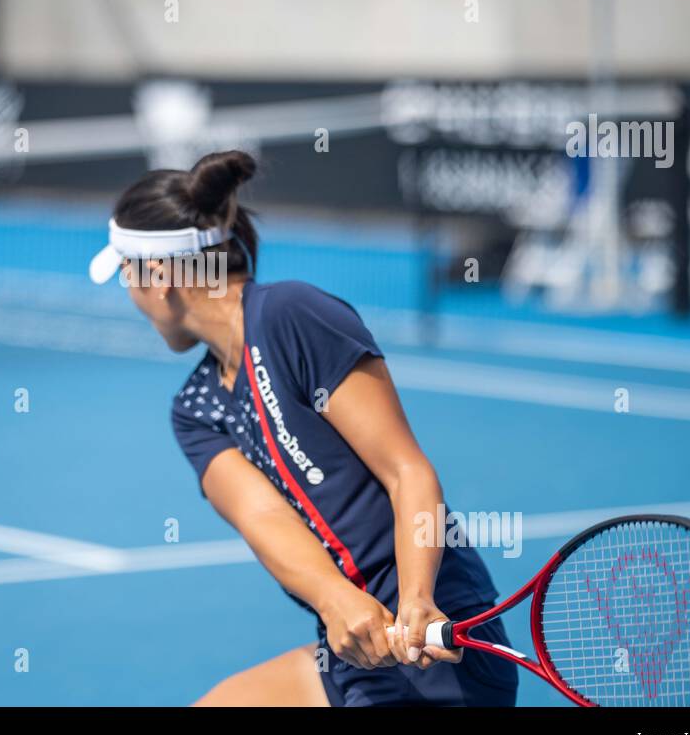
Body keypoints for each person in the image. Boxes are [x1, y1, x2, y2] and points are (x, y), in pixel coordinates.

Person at [88, 149, 519, 706]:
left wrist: (416, 597)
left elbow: (406, 469)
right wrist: (335, 599)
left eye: (126, 272)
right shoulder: (195, 409)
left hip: (440, 643)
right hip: (351, 647)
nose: (128, 294)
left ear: (161, 275)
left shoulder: (292, 315)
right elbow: (264, 516)